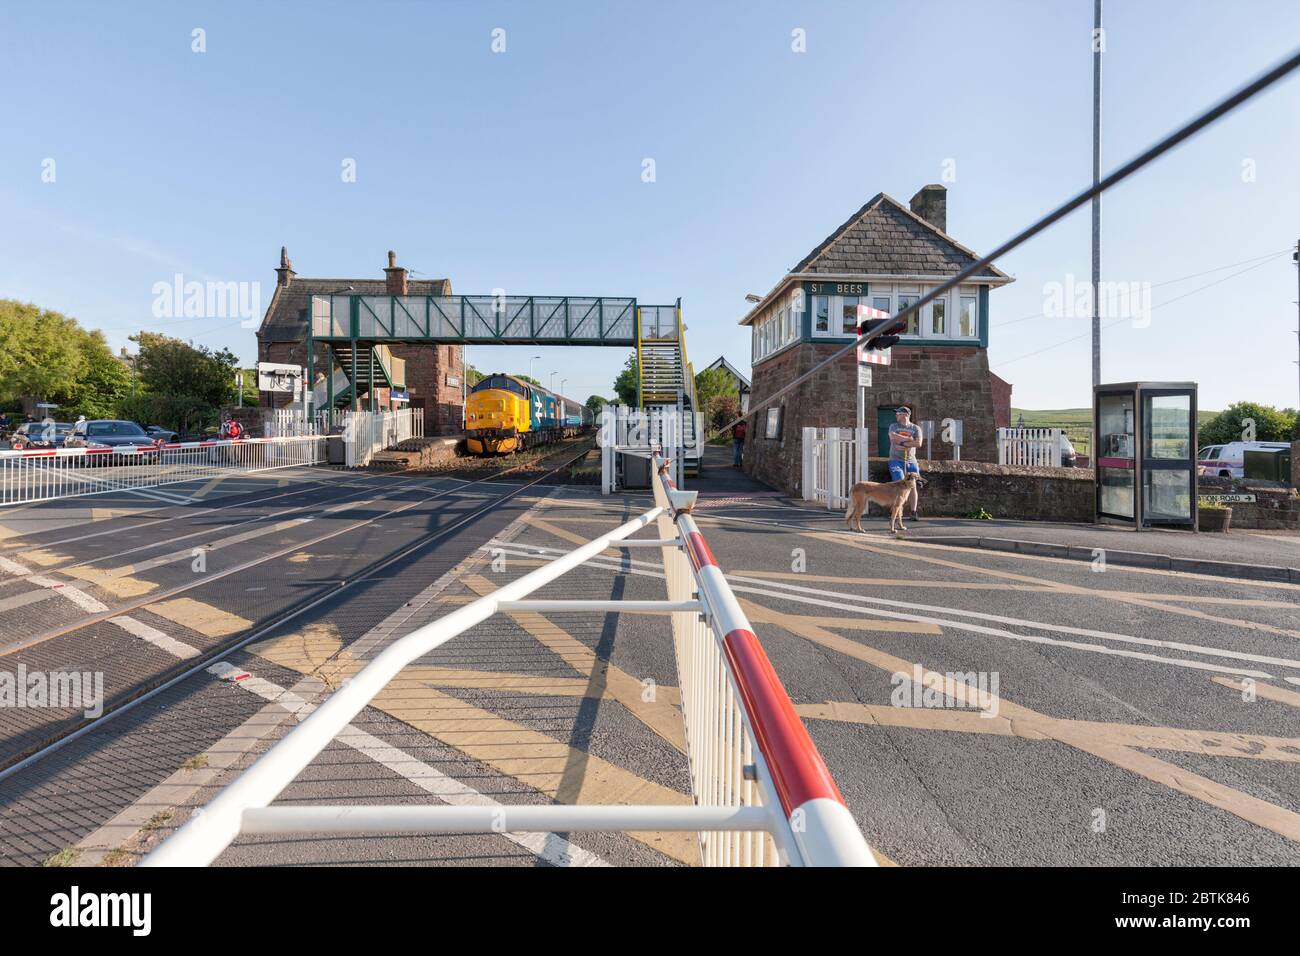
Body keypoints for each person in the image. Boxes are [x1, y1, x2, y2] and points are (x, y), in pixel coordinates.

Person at [887, 406, 924, 520]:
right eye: (896, 414)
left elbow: (918, 443)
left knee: (912, 486)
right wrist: (909, 439)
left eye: (898, 413)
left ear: (906, 414)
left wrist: (902, 443)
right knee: (899, 482)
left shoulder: (916, 428)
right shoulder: (894, 426)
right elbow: (893, 437)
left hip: (911, 461)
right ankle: (896, 511)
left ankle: (913, 512)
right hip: (895, 460)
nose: (896, 415)